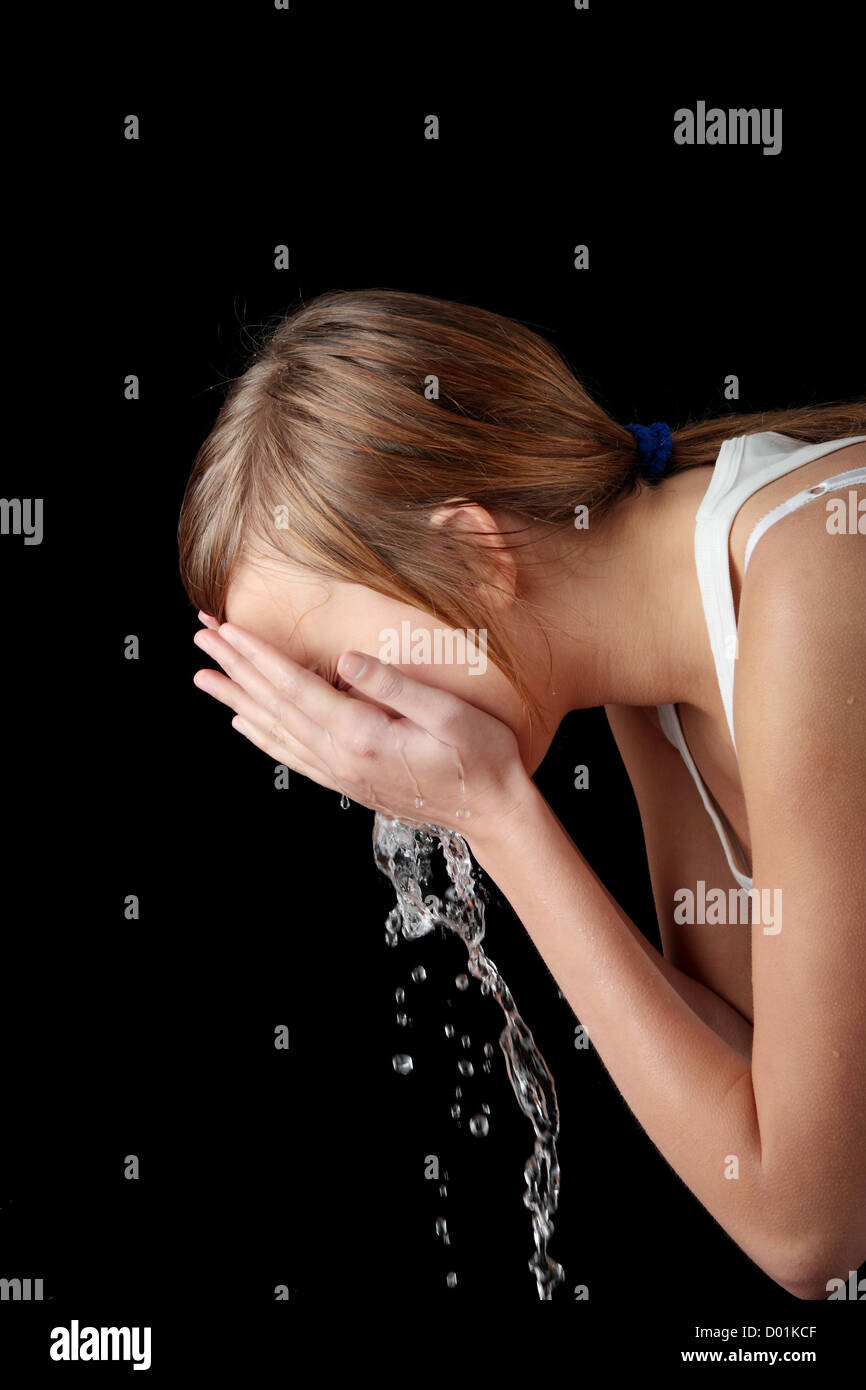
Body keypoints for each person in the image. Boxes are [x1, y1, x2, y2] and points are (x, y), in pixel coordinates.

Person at [178, 288, 866, 1299]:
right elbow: (766, 1088)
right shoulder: (658, 675)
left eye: (333, 682)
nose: (348, 751)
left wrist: (493, 814)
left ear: (468, 553)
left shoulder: (814, 580)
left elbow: (810, 1224)